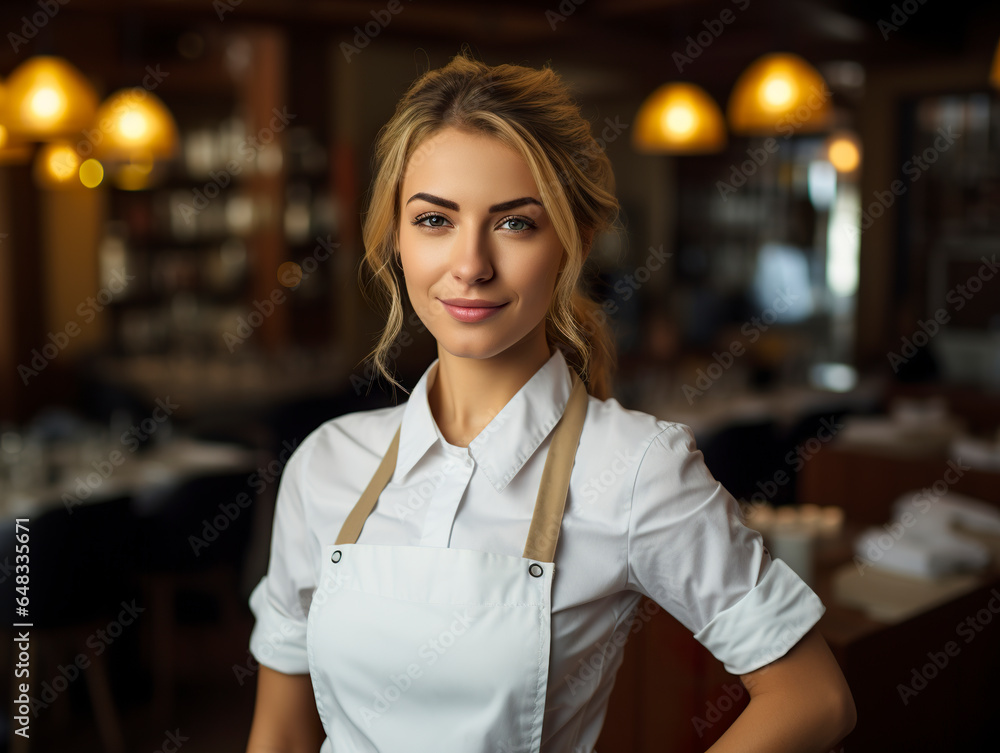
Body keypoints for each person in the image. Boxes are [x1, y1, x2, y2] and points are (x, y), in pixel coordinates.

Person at [244, 52, 856, 753]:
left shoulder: (633, 467)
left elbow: (814, 695)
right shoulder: (326, 464)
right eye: (435, 220)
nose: (470, 265)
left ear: (573, 241)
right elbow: (283, 733)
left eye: (514, 224)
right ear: (394, 239)